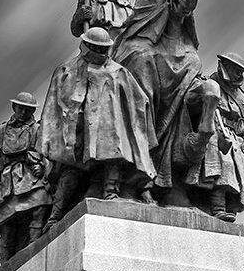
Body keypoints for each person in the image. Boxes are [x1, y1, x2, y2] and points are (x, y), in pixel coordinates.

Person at [40, 27, 157, 232]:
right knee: (70, 171)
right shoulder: (67, 70)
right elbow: (54, 106)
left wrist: (135, 126)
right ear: (86, 46)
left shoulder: (118, 71)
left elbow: (139, 100)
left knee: (113, 157)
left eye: (103, 49)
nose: (99, 52)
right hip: (77, 130)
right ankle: (56, 215)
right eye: (95, 47)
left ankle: (111, 191)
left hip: (109, 129)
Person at [0, 92, 52, 262]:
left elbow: (49, 153)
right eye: (21, 108)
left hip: (31, 179)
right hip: (6, 186)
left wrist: (42, 165)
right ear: (14, 107)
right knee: (7, 228)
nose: (24, 112)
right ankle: (6, 264)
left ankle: (35, 247)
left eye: (28, 110)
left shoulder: (38, 130)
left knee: (40, 206)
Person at [189, 52, 244, 222]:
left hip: (239, 142)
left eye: (239, 71)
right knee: (221, 170)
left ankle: (230, 208)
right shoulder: (207, 84)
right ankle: (218, 207)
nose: (236, 73)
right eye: (233, 69)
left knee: (240, 179)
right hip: (217, 136)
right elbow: (190, 103)